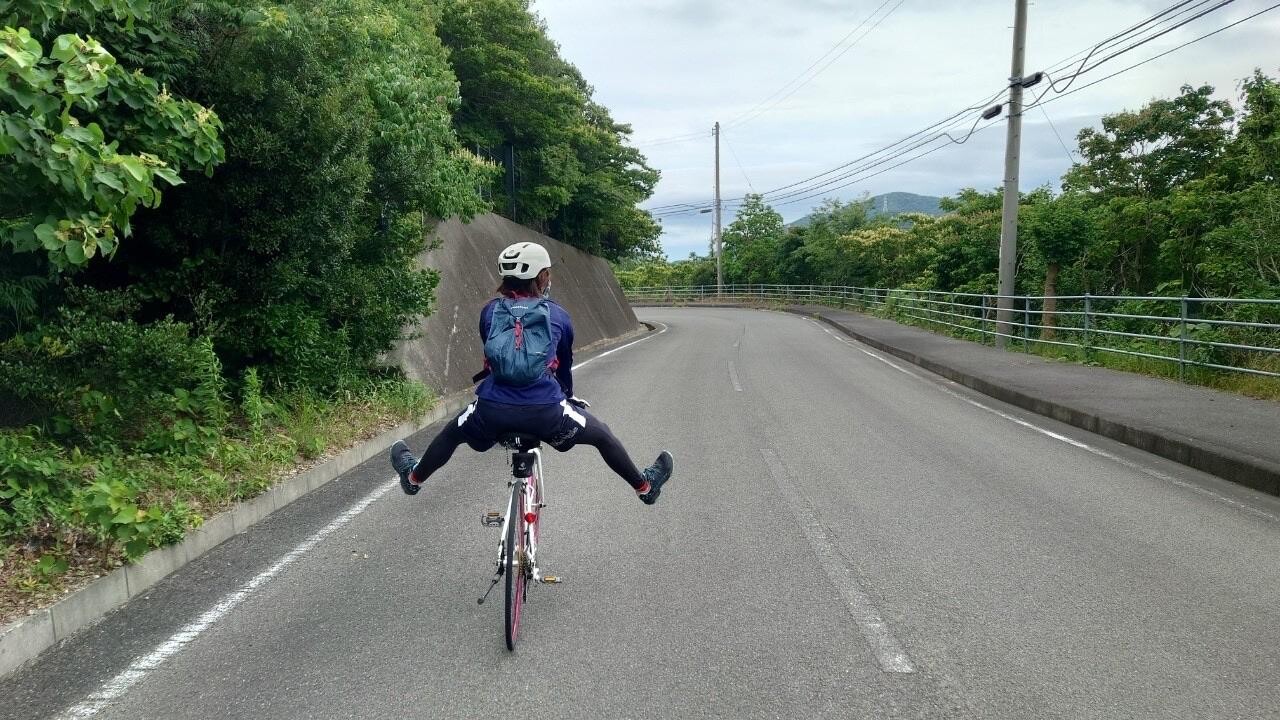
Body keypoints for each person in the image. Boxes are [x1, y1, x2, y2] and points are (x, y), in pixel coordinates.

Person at [390, 241, 674, 504]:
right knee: (602, 436)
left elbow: (493, 360)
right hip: (547, 413)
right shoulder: (558, 315)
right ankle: (645, 488)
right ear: (542, 277)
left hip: (492, 411)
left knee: (452, 433)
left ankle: (413, 478)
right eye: (547, 274)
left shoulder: (490, 312)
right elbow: (563, 365)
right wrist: (568, 397)